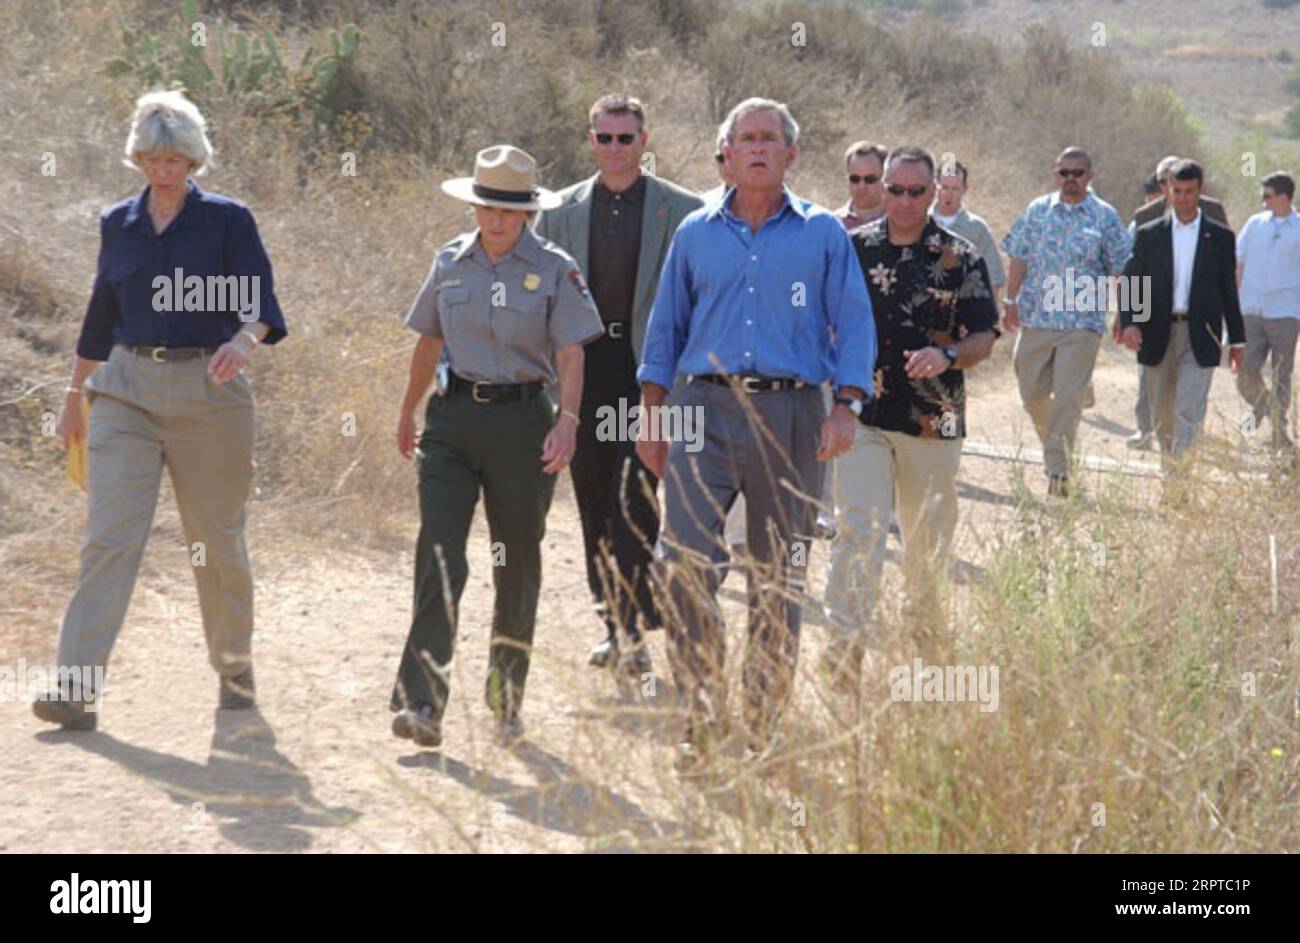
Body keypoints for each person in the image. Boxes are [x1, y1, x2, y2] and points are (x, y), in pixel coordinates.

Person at [34, 90, 288, 731]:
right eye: (151, 158)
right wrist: (73, 397)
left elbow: (262, 307)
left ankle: (234, 668)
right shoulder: (117, 222)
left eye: (174, 158)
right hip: (126, 392)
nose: (163, 170)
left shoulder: (229, 221)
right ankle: (76, 687)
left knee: (216, 541)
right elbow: (100, 316)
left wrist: (239, 340)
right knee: (109, 539)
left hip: (211, 394)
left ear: (194, 158)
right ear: (137, 158)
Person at [636, 97, 876, 767]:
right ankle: (700, 716)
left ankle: (762, 725)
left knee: (778, 576)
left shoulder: (823, 233)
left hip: (793, 414)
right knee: (680, 564)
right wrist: (649, 413)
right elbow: (664, 331)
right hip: (699, 409)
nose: (760, 148)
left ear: (792, 154)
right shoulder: (694, 232)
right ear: (729, 152)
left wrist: (846, 404)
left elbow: (854, 323)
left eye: (771, 138)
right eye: (747, 138)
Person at [390, 145, 603, 747]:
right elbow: (428, 341)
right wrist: (407, 411)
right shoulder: (450, 262)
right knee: (439, 552)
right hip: (453, 420)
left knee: (515, 563)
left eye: (510, 211)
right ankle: (422, 703)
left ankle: (506, 698)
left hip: (523, 425)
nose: (497, 220)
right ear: (475, 205)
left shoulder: (556, 269)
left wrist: (568, 420)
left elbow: (570, 351)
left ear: (529, 212)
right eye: (487, 207)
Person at [534, 94, 702, 679]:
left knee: (639, 501)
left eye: (625, 138)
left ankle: (633, 627)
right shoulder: (558, 211)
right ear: (590, 141)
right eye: (603, 138)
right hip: (584, 371)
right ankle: (614, 624)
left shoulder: (684, 210)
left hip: (656, 375)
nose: (614, 148)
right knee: (593, 504)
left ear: (644, 141)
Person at [824, 147, 999, 685]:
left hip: (933, 420)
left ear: (933, 194)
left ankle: (922, 646)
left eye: (915, 191)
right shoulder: (850, 250)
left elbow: (985, 336)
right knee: (859, 530)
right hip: (864, 415)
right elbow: (822, 321)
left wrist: (946, 355)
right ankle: (846, 647)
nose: (902, 201)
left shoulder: (959, 255)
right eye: (893, 190)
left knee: (925, 542)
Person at [1002, 147, 1131, 498]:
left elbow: (1122, 266)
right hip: (1037, 316)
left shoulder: (1105, 217)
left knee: (1068, 398)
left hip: (1082, 321)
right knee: (1031, 394)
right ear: (1054, 174)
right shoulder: (1037, 211)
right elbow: (1018, 255)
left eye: (1077, 173)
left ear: (1089, 176)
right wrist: (1010, 300)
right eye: (1064, 173)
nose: (1070, 179)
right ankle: (1059, 449)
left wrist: (1127, 314)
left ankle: (1059, 472)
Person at [1118, 160, 1244, 469]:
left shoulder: (1220, 237)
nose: (1183, 198)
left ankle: (1180, 484)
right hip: (1157, 330)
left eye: (1189, 191)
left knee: (1188, 408)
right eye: (1177, 191)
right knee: (1162, 413)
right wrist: (1130, 321)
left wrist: (1237, 339)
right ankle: (1170, 473)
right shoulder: (1150, 234)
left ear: (1200, 191)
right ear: (1167, 190)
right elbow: (1134, 280)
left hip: (1200, 333)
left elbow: (1229, 290)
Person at [1235, 171, 1300, 454]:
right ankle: (1262, 404)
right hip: (1251, 309)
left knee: (1281, 374)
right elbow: (1239, 263)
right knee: (1245, 371)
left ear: (1284, 197)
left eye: (1268, 196)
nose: (1263, 201)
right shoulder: (1254, 224)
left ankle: (1278, 432)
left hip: (1286, 312)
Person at [931, 159, 1005, 298]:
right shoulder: (920, 222)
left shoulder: (977, 229)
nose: (949, 194)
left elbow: (993, 279)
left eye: (955, 189)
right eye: (945, 187)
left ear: (965, 189)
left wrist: (988, 317)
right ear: (935, 188)